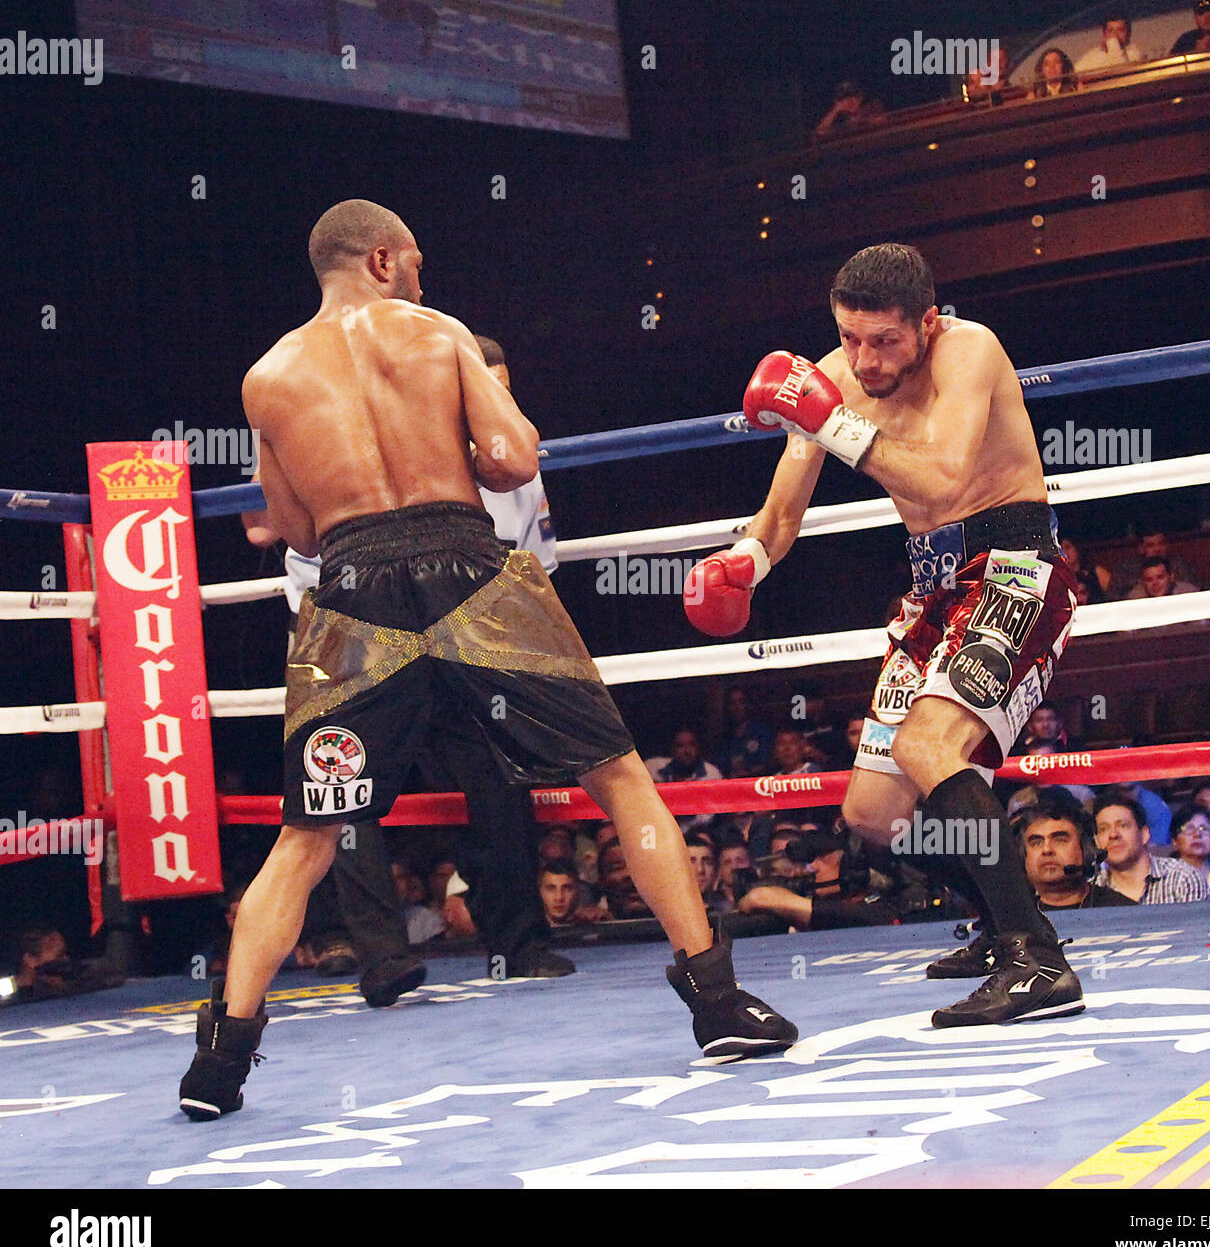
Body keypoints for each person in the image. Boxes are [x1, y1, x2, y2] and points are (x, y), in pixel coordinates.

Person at [179, 200, 796, 1120]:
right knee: (621, 777)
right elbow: (513, 459)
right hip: (473, 571)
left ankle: (220, 1062)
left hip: (351, 593)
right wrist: (447, 448)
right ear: (383, 260)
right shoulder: (440, 333)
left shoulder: (266, 377)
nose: (423, 276)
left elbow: (295, 527)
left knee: (306, 836)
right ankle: (715, 1001)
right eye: (417, 260)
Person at [684, 241, 1084, 1027]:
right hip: (932, 588)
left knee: (928, 747)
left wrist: (829, 417)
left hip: (1013, 565)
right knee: (873, 814)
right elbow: (782, 516)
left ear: (926, 323)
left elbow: (937, 477)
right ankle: (999, 928)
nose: (863, 359)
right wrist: (742, 564)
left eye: (885, 341)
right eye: (850, 337)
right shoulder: (831, 378)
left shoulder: (969, 349)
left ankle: (1036, 956)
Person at [243, 332, 571, 1003]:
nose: (498, 398)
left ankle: (518, 941)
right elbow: (264, 519)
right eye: (488, 385)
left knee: (499, 774)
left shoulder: (516, 463)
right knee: (340, 797)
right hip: (350, 628)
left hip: (473, 628)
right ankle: (382, 958)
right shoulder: (366, 429)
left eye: (505, 386)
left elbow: (539, 567)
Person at [1018, 798, 1135, 910]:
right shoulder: (1009, 918)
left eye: (1060, 840)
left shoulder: (1123, 910)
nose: (1046, 850)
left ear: (1086, 850)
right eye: (1036, 843)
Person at [1093, 793, 1207, 904]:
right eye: (1103, 829)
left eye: (1123, 825)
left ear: (1144, 834)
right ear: (1097, 841)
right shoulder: (1092, 891)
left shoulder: (1183, 879)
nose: (1113, 835)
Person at [813, 81, 887, 140]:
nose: (849, 101)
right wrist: (835, 111)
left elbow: (882, 122)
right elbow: (820, 132)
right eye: (843, 99)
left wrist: (867, 120)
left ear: (860, 97)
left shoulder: (872, 107)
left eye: (853, 96)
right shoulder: (838, 118)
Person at [1075, 16, 1148, 72]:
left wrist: (1113, 46)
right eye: (1110, 31)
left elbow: (1120, 72)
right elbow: (1075, 73)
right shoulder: (1094, 54)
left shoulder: (1135, 53)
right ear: (1104, 34)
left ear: (1128, 33)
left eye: (1120, 30)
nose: (1115, 35)